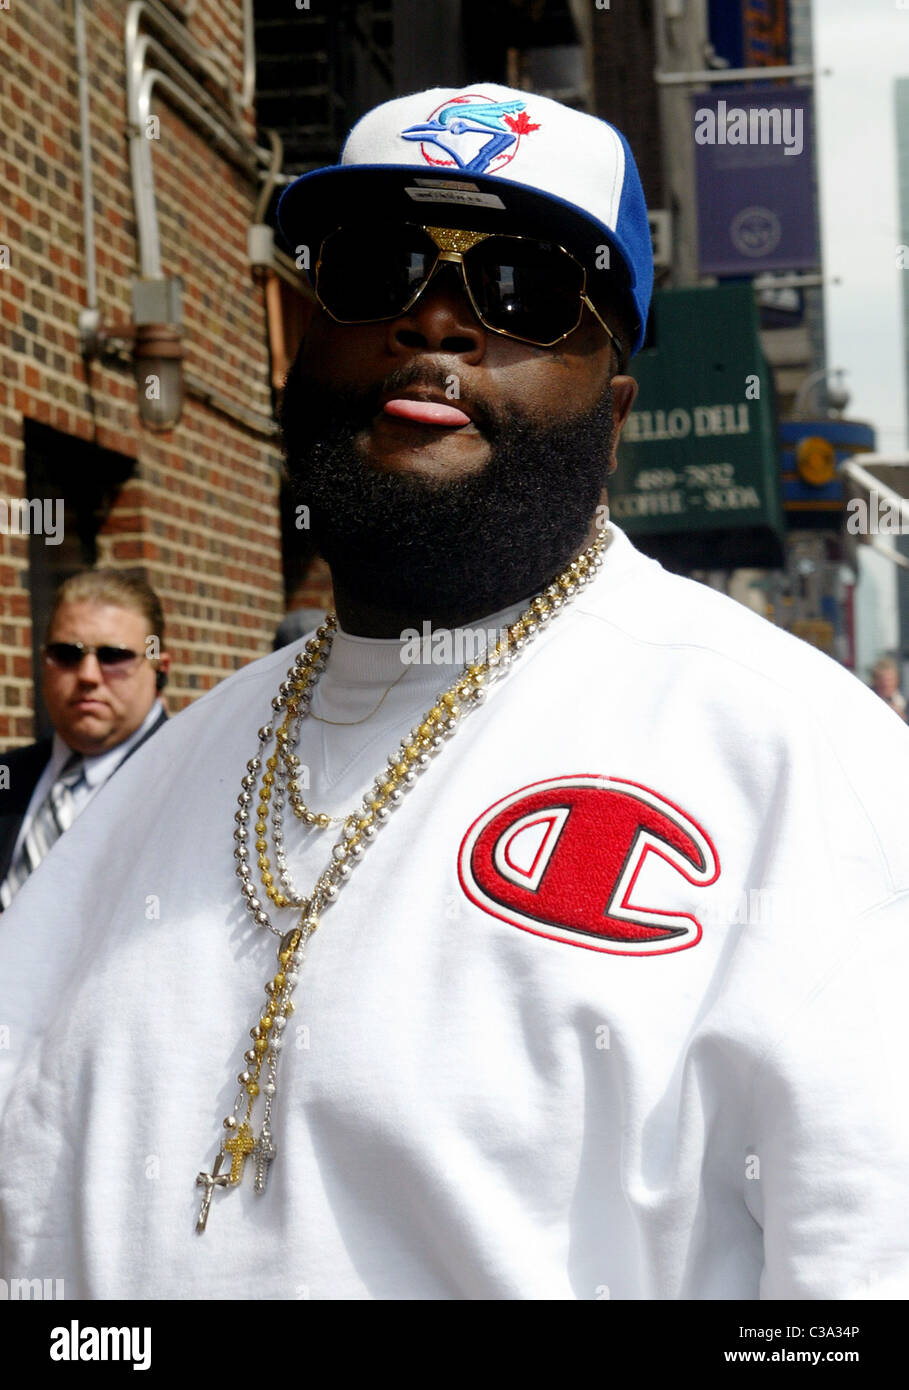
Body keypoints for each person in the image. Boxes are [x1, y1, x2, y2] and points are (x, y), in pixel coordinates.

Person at [0, 84, 908, 1301]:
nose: (437, 315)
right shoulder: (146, 796)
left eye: (525, 286)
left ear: (617, 408)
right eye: (379, 265)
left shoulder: (797, 761)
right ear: (298, 339)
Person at [0, 569, 170, 909]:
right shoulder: (9, 777)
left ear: (160, 668)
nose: (88, 675)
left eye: (113, 656)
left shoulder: (195, 783)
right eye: (67, 654)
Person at [870, 655, 906, 719]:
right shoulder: (869, 700)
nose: (887, 684)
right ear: (875, 680)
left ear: (897, 680)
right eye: (882, 680)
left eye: (890, 680)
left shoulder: (904, 700)